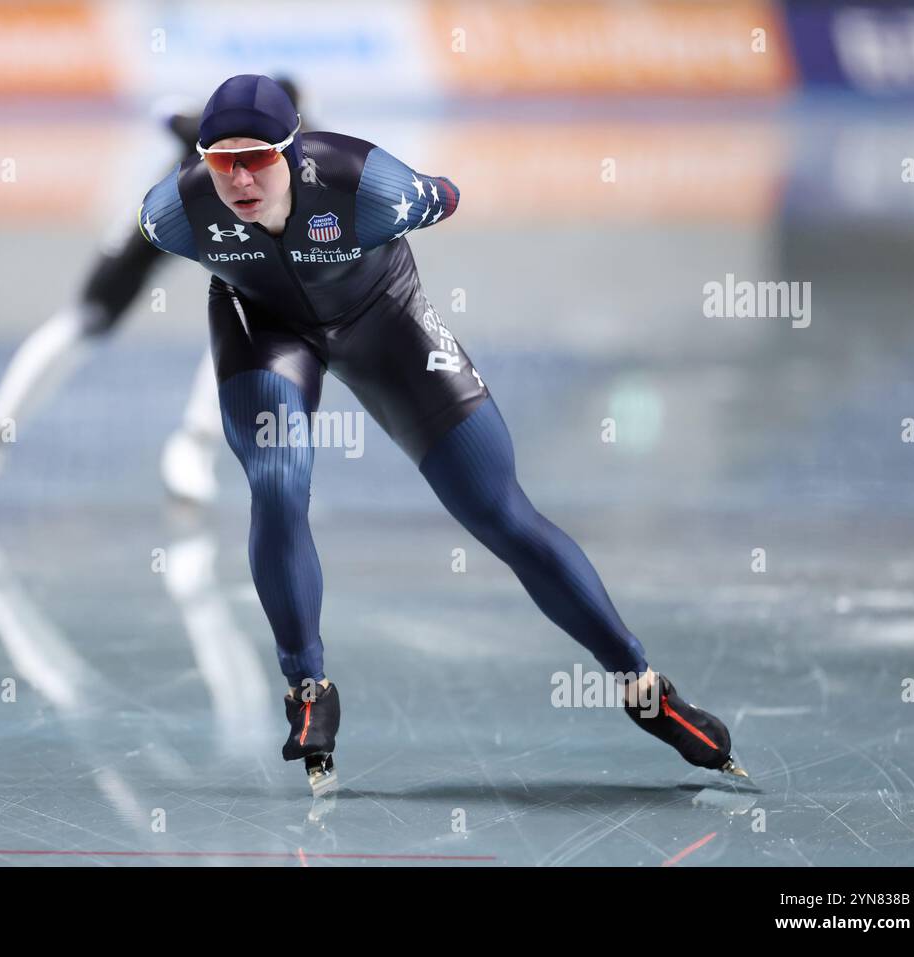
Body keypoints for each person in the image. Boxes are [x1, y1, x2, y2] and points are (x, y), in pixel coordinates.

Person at [138, 74, 747, 794]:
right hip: (265, 329)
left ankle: (644, 686)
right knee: (277, 484)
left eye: (260, 158)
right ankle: (308, 690)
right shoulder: (173, 211)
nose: (239, 178)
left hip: (383, 319)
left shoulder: (367, 184)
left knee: (499, 511)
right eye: (221, 159)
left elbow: (446, 194)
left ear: (294, 151)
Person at [0, 78, 307, 507]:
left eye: (261, 153)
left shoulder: (310, 162)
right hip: (164, 219)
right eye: (229, 151)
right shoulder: (199, 130)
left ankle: (196, 442)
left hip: (243, 233)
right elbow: (167, 108)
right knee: (87, 317)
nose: (242, 169)